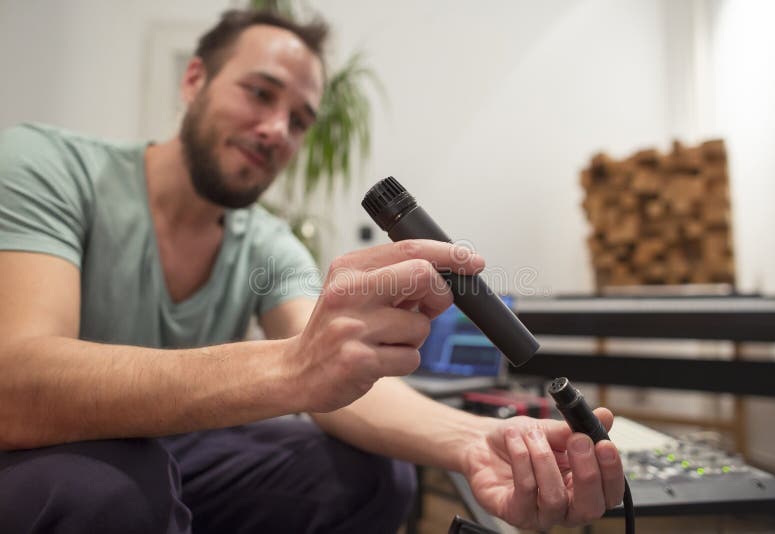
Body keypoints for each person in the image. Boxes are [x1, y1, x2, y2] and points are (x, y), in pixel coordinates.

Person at [0, 9, 624, 534]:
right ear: (194, 80)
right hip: (41, 450)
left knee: (371, 476)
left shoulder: (264, 240)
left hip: (166, 450)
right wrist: (295, 365)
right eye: (260, 92)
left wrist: (474, 443)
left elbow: (342, 387)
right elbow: (15, 386)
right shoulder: (50, 168)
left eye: (299, 120)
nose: (276, 129)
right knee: (111, 489)